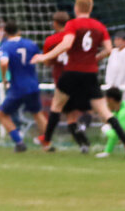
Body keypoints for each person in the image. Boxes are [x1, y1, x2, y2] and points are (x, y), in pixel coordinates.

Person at [32, 0, 125, 154]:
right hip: (90, 73)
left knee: (57, 105)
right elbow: (108, 49)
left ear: (76, 9)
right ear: (90, 9)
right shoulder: (99, 26)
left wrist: (45, 56)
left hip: (71, 72)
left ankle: (47, 139)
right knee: (104, 111)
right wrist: (95, 58)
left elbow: (67, 44)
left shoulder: (72, 24)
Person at [40, 11, 93, 153]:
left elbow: (47, 62)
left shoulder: (51, 40)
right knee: (82, 112)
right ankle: (83, 142)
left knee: (58, 110)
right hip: (80, 78)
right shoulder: (77, 37)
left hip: (62, 80)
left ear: (55, 23)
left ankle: (47, 139)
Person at [0, 21, 47, 152]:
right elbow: (42, 58)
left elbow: (3, 62)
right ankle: (48, 143)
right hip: (33, 84)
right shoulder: (30, 44)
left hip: (17, 87)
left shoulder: (5, 46)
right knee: (37, 113)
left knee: (2, 114)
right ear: (18, 31)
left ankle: (19, 142)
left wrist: (4, 78)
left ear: (5, 33)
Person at [105, 30, 125, 101]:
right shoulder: (113, 52)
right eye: (115, 39)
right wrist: (109, 83)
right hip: (111, 85)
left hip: (122, 85)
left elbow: (123, 70)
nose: (115, 41)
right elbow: (109, 68)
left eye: (118, 39)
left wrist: (117, 85)